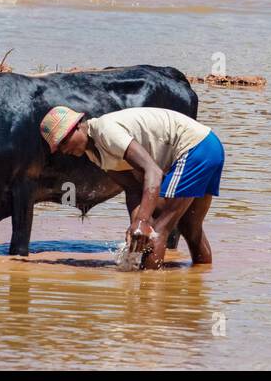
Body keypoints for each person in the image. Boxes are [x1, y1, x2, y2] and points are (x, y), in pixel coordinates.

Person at [39, 105, 224, 269]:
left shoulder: (106, 131)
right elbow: (133, 188)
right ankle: (201, 282)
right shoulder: (95, 154)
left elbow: (153, 172)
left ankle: (145, 298)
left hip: (195, 148)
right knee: (190, 227)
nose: (63, 150)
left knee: (158, 230)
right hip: (209, 146)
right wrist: (135, 226)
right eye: (58, 147)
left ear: (79, 126)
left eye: (64, 141)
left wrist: (142, 223)